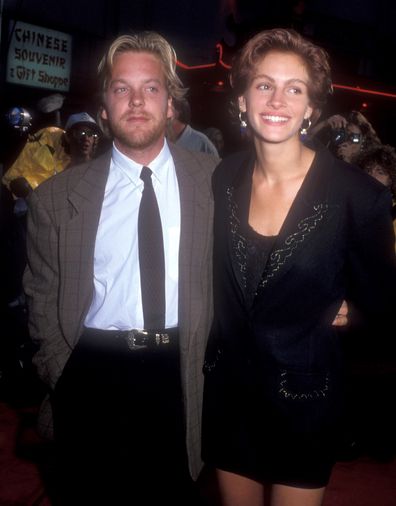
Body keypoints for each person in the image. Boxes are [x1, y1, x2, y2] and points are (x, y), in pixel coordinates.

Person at [201, 28, 396, 506]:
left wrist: (355, 314)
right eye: (264, 84)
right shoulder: (222, 177)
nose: (278, 99)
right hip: (230, 395)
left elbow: (385, 307)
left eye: (295, 88)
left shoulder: (360, 196)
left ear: (311, 108)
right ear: (243, 100)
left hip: (304, 401)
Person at [23, 32, 218, 506]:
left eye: (151, 88)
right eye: (121, 89)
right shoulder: (55, 197)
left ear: (171, 104)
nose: (136, 100)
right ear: (105, 108)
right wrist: (60, 372)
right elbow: (40, 296)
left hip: (185, 369)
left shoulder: (217, 184)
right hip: (91, 371)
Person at [309, 110, 381, 164]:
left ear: (363, 140)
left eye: (353, 137)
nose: (347, 142)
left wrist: (348, 160)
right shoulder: (331, 149)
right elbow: (305, 141)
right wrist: (325, 123)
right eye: (345, 135)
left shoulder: (370, 164)